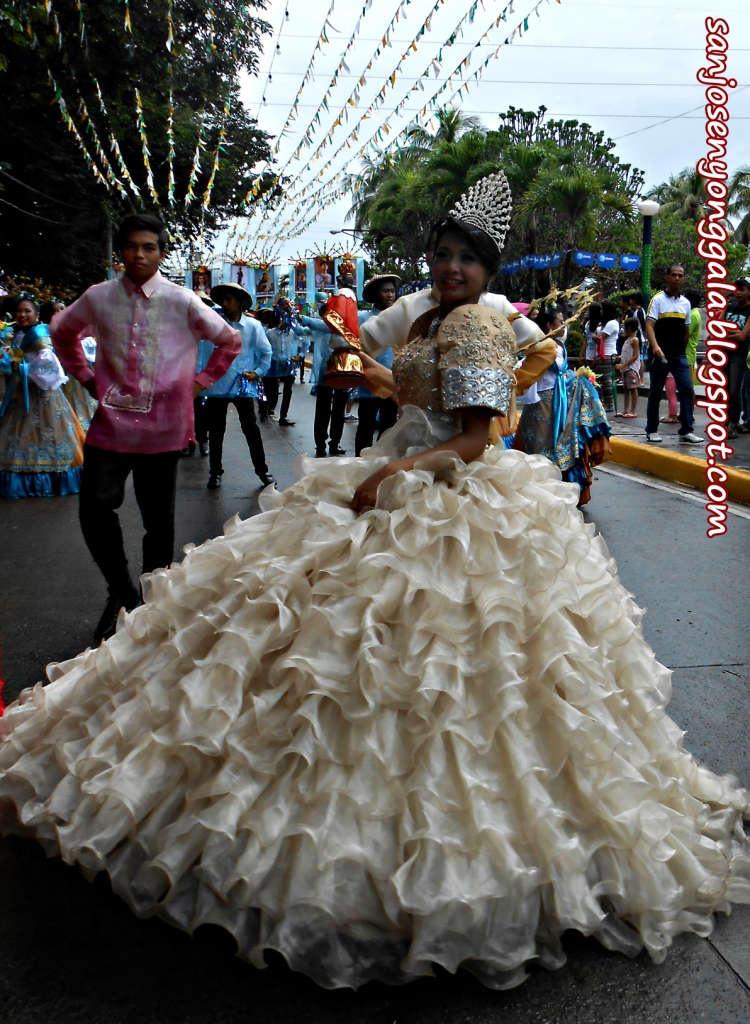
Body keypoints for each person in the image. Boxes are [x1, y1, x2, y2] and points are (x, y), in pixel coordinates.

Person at [2, 173, 749, 994]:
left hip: (449, 496)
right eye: (441, 254)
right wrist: (384, 385)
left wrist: (394, 472)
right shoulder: (433, 316)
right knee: (321, 642)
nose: (450, 267)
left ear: (488, 269)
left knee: (441, 673)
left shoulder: (472, 321)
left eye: (465, 257)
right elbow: (425, 396)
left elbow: (474, 438)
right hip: (401, 470)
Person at [51, 213, 242, 644]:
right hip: (111, 425)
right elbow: (61, 331)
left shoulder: (183, 301)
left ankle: (152, 601)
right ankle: (119, 592)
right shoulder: (98, 297)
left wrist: (198, 383)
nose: (139, 254)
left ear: (162, 252)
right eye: (132, 246)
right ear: (120, 250)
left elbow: (230, 341)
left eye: (149, 247)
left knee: (158, 521)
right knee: (95, 508)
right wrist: (84, 377)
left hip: (164, 428)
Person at [515, 307, 611, 504]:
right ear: (549, 325)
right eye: (561, 321)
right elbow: (532, 369)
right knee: (542, 446)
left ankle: (555, 490)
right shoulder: (542, 345)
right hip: (543, 403)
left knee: (556, 443)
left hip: (557, 401)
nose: (564, 325)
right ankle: (539, 491)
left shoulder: (554, 345)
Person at [0, 295, 85, 499]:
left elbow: (49, 368)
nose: (22, 314)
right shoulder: (19, 335)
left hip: (42, 394)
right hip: (21, 395)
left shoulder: (39, 336)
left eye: (27, 311)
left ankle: (50, 476)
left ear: (36, 315)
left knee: (49, 434)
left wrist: (20, 368)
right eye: (19, 311)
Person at [201, 283, 275, 490]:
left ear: (240, 302)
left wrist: (258, 372)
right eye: (222, 299)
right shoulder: (213, 325)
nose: (224, 303)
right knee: (216, 432)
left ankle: (262, 470)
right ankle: (215, 472)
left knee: (251, 429)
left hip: (242, 386)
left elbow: (266, 352)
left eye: (229, 299)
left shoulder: (252, 326)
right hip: (216, 386)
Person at [644, 265, 703, 444]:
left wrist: (681, 349)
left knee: (687, 389)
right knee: (655, 391)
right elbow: (649, 326)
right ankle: (652, 429)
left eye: (680, 276)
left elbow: (686, 331)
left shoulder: (686, 303)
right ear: (667, 277)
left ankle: (686, 429)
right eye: (674, 275)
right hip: (660, 355)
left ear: (684, 279)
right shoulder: (658, 300)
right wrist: (655, 347)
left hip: (679, 355)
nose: (677, 278)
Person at [354, 274, 401, 455]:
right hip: (369, 383)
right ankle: (361, 463)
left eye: (392, 291)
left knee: (389, 427)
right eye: (385, 291)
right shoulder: (361, 318)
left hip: (392, 381)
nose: (390, 295)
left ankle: (381, 463)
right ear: (375, 295)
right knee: (365, 426)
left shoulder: (398, 318)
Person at [257, 300, 309, 427]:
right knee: (271, 391)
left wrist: (300, 356)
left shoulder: (295, 333)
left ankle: (283, 416)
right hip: (273, 365)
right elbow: (262, 349)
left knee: (288, 391)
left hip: (289, 365)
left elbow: (306, 342)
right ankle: (266, 409)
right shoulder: (269, 334)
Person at [725, 278, 750, 439]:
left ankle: (733, 423)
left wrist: (729, 332)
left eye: (741, 289)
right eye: (736, 289)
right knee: (724, 390)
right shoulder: (729, 307)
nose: (738, 292)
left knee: (734, 390)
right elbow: (715, 330)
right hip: (724, 353)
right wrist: (736, 333)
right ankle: (723, 423)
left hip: (739, 355)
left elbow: (742, 337)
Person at [593, 300, 618, 413]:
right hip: (599, 354)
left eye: (603, 309)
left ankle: (609, 403)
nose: (601, 311)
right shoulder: (602, 324)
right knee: (599, 379)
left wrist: (595, 336)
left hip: (607, 354)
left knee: (606, 380)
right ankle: (602, 402)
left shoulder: (612, 323)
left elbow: (600, 338)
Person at [615, 317, 642, 417]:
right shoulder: (628, 340)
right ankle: (626, 409)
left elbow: (635, 356)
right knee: (626, 388)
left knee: (633, 388)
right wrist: (620, 358)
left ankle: (633, 411)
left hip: (631, 368)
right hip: (626, 368)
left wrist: (623, 364)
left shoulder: (634, 340)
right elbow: (628, 354)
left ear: (629, 328)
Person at [684, 288, 702, 388]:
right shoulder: (692, 313)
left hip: (688, 353)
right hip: (687, 352)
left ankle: (690, 403)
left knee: (689, 385)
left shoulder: (693, 315)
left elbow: (686, 332)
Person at [582, 301, 601, 365]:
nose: (587, 313)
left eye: (589, 311)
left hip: (597, 356)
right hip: (588, 356)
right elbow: (586, 340)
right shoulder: (588, 324)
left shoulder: (600, 325)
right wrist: (581, 355)